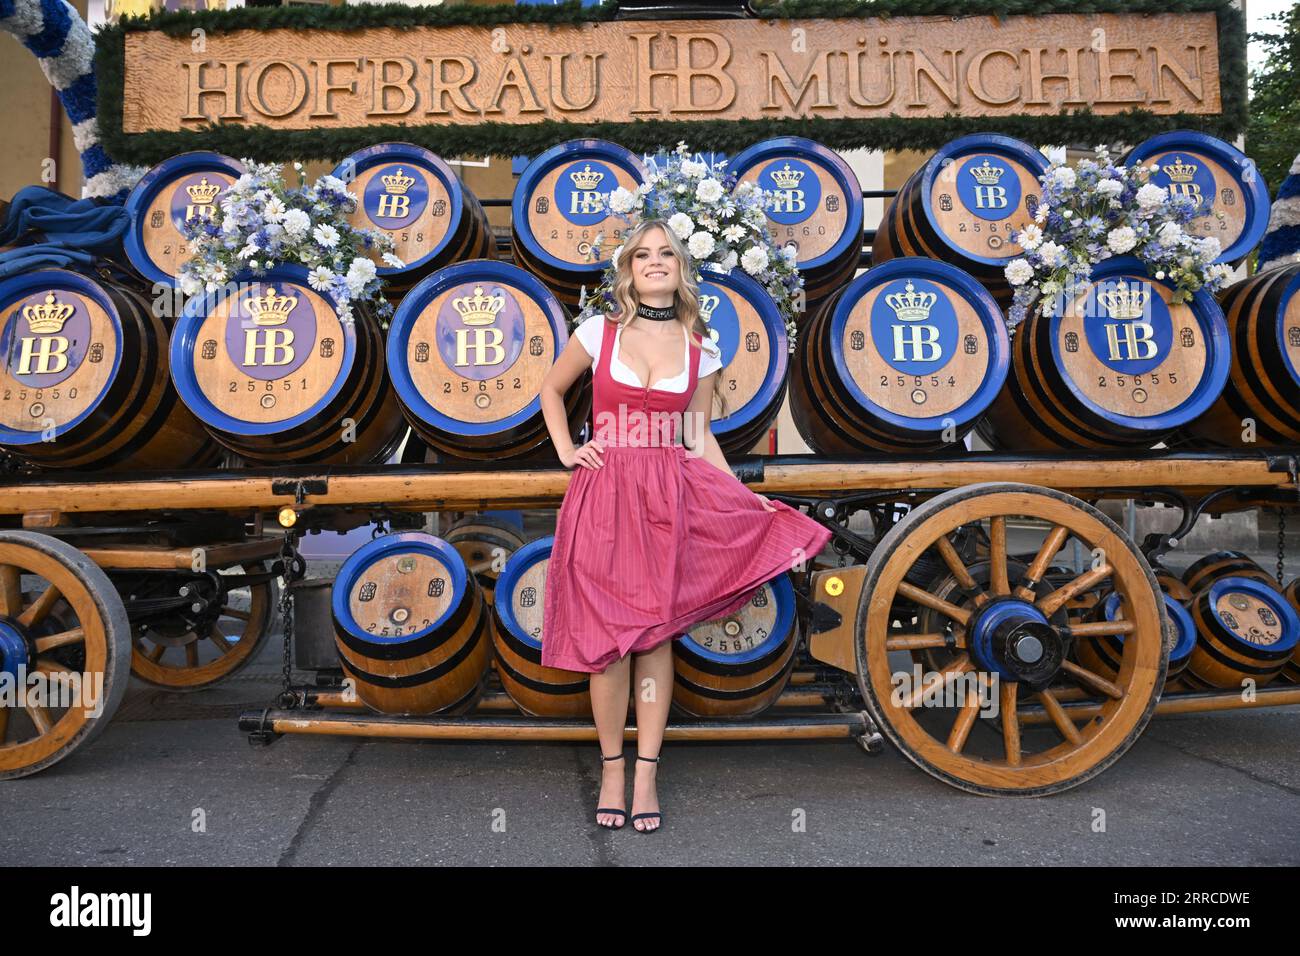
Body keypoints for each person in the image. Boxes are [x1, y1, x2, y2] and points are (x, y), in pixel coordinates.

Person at [537, 218, 834, 832]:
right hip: (604, 492)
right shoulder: (599, 331)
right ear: (628, 270)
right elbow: (550, 388)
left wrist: (745, 506)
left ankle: (646, 772)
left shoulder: (702, 349)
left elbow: (699, 439)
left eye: (665, 254)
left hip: (667, 497)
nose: (653, 262)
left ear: (679, 268)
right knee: (607, 647)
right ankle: (612, 768)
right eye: (642, 254)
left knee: (654, 640)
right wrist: (569, 449)